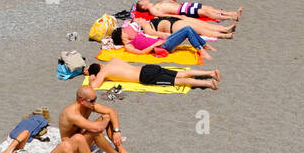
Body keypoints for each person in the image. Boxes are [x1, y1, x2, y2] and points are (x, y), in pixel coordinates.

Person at [59, 86, 141, 153]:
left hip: (82, 142)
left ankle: (121, 150)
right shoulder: (72, 114)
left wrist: (116, 131)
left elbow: (112, 111)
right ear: (82, 101)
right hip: (72, 150)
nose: (94, 103)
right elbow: (97, 129)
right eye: (92, 101)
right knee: (96, 131)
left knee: (108, 116)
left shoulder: (88, 105)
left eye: (95, 99)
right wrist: (106, 119)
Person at [85, 57, 219, 91]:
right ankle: (211, 72)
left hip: (145, 77)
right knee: (181, 74)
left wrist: (92, 77)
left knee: (178, 81)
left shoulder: (104, 72)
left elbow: (95, 86)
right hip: (147, 68)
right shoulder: (113, 61)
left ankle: (208, 83)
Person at [111, 20, 216, 61]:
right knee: (187, 30)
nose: (127, 31)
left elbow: (148, 36)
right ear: (122, 36)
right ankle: (201, 50)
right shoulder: (128, 46)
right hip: (163, 46)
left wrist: (159, 38)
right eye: (125, 31)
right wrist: (155, 44)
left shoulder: (134, 37)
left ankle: (204, 44)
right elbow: (141, 52)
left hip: (163, 41)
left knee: (188, 28)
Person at [137, 0, 241, 22]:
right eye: (142, 1)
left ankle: (232, 13)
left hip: (183, 5)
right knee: (206, 13)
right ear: (143, 6)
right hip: (182, 10)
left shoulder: (156, 3)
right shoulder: (152, 9)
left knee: (208, 8)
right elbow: (161, 15)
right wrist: (179, 17)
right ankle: (232, 18)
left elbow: (172, 3)